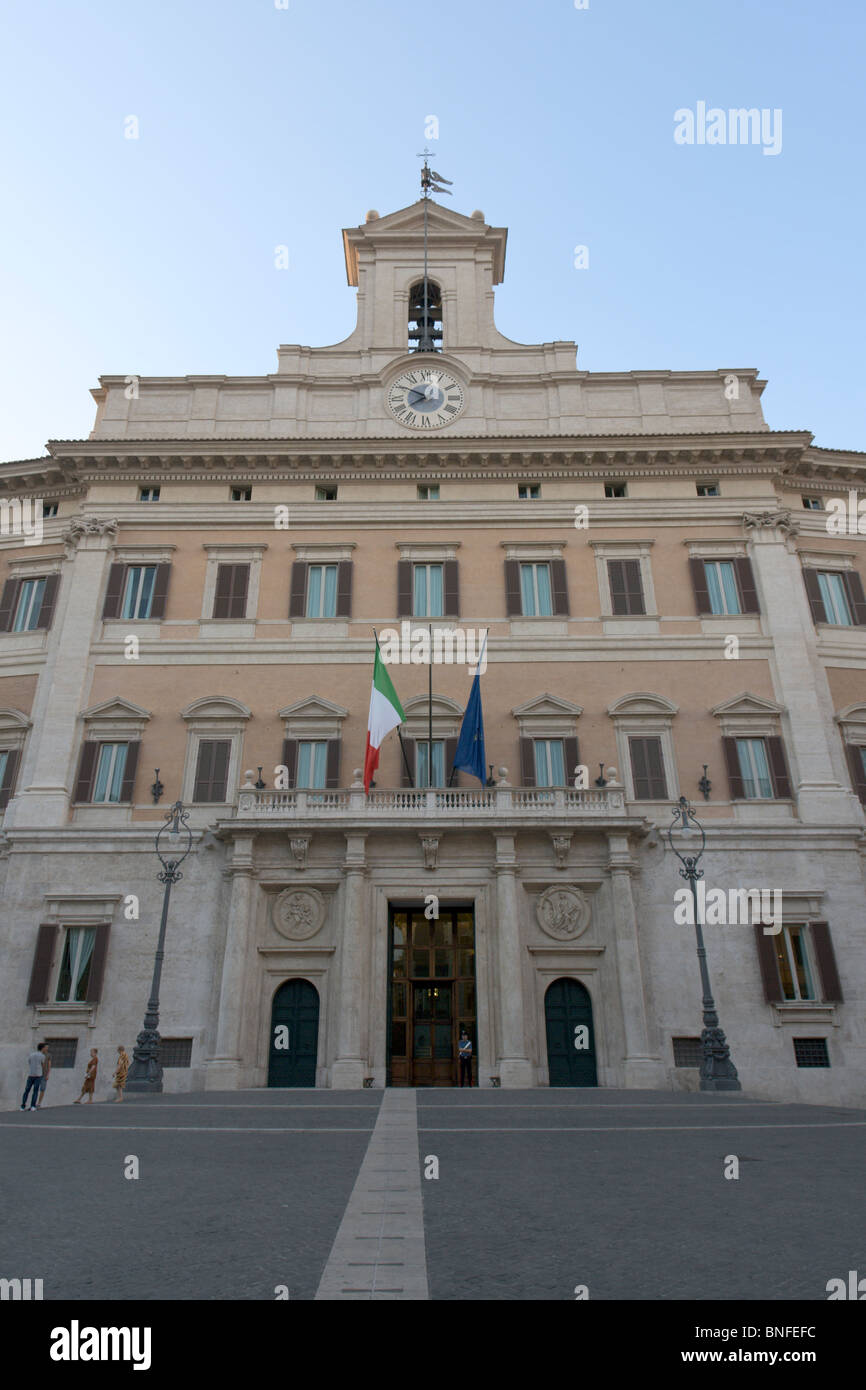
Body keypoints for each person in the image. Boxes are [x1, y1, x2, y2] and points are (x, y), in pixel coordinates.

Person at [20, 1043, 46, 1111]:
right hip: (38, 1075)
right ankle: (33, 1106)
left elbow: (29, 1062)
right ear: (42, 1048)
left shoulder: (31, 1054)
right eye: (45, 1048)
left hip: (30, 1075)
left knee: (27, 1090)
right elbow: (43, 1065)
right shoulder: (42, 1056)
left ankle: (22, 1106)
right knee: (35, 1091)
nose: (46, 1049)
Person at [35, 1044, 51, 1109]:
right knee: (36, 1088)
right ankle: (34, 1102)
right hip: (37, 1074)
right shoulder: (38, 1054)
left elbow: (49, 1065)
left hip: (44, 1074)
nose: (47, 1048)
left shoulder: (48, 1055)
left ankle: (39, 1103)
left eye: (47, 1047)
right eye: (46, 1047)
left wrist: (48, 1074)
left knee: (42, 1088)